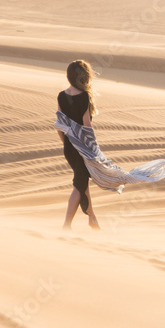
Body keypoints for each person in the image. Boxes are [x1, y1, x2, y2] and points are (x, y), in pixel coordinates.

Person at [56, 59, 101, 230]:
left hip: (69, 147)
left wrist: (66, 145)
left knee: (82, 183)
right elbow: (86, 126)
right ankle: (66, 225)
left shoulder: (61, 95)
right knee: (79, 184)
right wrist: (92, 149)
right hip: (82, 147)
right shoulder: (84, 97)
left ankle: (92, 218)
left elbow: (59, 125)